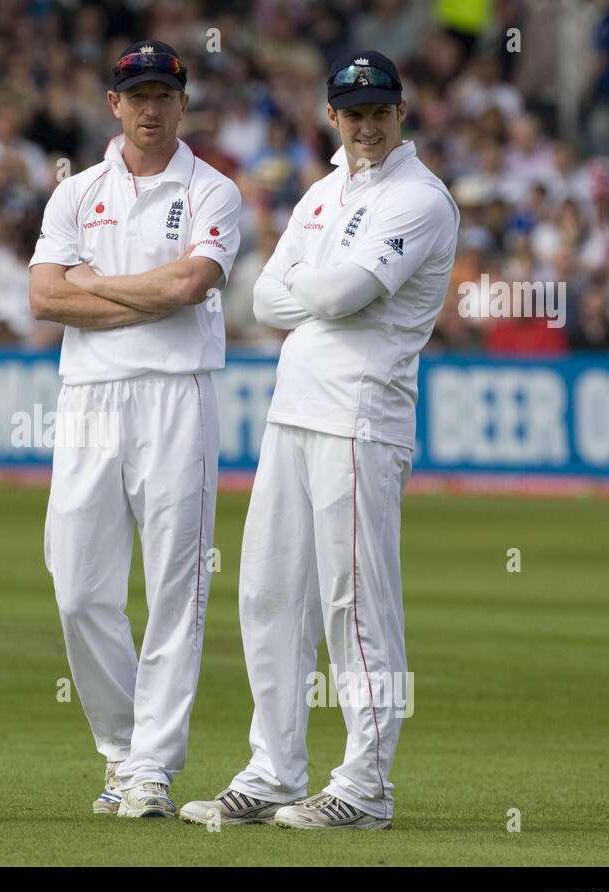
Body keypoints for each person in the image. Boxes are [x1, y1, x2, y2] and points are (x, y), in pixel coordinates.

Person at [180, 51, 458, 829]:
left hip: (361, 416)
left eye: (378, 111)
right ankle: (273, 771)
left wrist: (316, 283)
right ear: (332, 117)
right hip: (294, 410)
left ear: (401, 112)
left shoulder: (422, 200)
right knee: (268, 594)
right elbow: (264, 298)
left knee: (357, 604)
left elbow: (337, 291)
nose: (365, 125)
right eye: (352, 112)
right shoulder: (324, 191)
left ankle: (365, 787)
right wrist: (318, 288)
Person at [28, 42, 242, 819]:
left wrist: (96, 283)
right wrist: (136, 294)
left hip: (175, 395)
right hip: (88, 397)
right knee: (80, 589)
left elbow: (190, 286)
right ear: (112, 105)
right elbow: (45, 299)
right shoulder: (75, 193)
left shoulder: (214, 190)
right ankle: (121, 751)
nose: (150, 108)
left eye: (164, 94)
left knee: (175, 588)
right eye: (136, 95)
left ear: (183, 104)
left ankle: (151, 766)